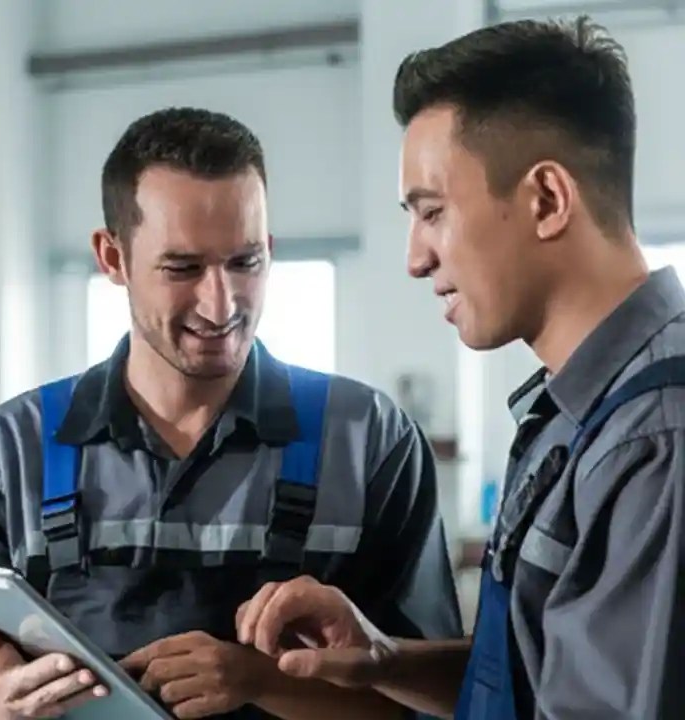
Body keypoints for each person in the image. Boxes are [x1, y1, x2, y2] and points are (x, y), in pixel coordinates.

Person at [0, 106, 464, 720]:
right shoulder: (15, 450)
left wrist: (259, 680)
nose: (220, 304)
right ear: (113, 258)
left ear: (269, 249)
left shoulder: (367, 441)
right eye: (183, 268)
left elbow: (433, 698)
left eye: (244, 263)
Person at [235, 16, 685, 720]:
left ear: (546, 200)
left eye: (433, 212)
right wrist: (383, 659)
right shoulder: (577, 415)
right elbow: (535, 677)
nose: (416, 258)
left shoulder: (655, 438)